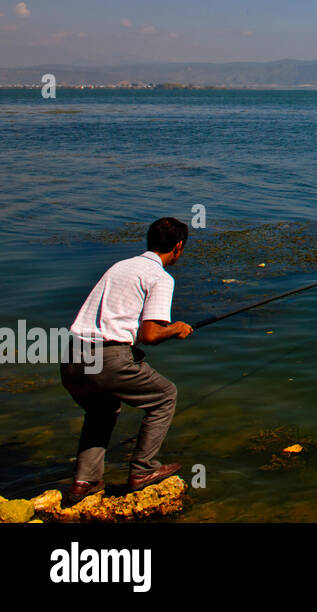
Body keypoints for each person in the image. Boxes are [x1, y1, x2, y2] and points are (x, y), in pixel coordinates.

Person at [60, 216, 194, 504]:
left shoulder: (120, 266)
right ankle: (143, 470)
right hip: (107, 359)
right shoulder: (160, 277)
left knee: (103, 409)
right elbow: (150, 334)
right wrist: (177, 328)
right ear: (179, 247)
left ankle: (85, 481)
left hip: (71, 359)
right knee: (166, 396)